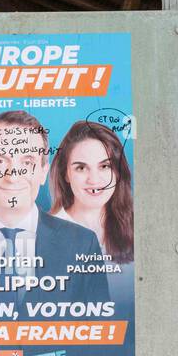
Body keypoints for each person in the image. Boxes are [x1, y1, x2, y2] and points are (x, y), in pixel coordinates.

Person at [0, 110, 109, 310]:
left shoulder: (82, 243)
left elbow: (98, 333)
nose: (12, 176)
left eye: (27, 162)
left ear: (43, 172)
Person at [48, 120, 135, 305]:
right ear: (66, 174)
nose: (94, 179)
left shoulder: (141, 228)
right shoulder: (42, 234)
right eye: (81, 167)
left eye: (105, 166)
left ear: (118, 172)